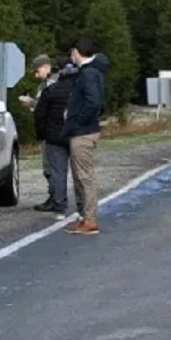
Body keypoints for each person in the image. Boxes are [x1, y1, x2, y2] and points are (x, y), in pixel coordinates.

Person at [61, 38, 109, 235]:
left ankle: (90, 219)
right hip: (83, 130)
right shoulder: (90, 72)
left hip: (83, 132)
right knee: (80, 176)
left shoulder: (88, 74)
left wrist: (79, 121)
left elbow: (94, 102)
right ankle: (84, 217)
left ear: (77, 52)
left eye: (72, 52)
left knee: (84, 176)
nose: (71, 56)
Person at [33, 57, 78, 218]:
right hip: (76, 135)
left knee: (58, 172)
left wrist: (42, 134)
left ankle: (59, 205)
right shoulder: (79, 89)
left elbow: (40, 114)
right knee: (80, 171)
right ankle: (83, 206)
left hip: (55, 136)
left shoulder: (50, 90)